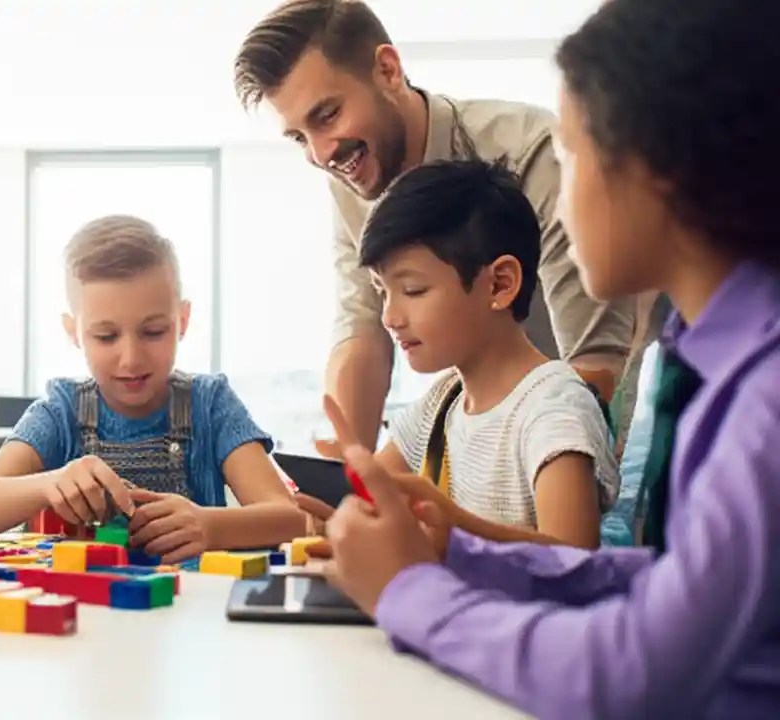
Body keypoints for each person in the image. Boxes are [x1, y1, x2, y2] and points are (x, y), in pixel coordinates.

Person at [310, 0, 780, 716]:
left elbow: (633, 670)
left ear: (655, 168)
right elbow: (665, 587)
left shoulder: (764, 402)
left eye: (570, 154)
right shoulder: (716, 367)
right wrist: (457, 552)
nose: (556, 200)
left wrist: (410, 592)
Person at [233, 0, 642, 451]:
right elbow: (361, 323)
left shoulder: (532, 153)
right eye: (298, 138)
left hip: (564, 423)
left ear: (388, 71)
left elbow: (595, 362)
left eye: (327, 115)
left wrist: (526, 469)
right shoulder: (352, 175)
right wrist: (347, 469)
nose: (320, 154)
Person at [0, 215, 304, 560]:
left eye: (153, 332)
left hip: (192, 596)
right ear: (74, 331)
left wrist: (210, 526)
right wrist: (48, 483)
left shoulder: (210, 404)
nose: (131, 359)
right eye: (106, 336)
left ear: (182, 321)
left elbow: (290, 519)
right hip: (83, 598)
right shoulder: (60, 412)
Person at [358, 158, 617, 548]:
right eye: (382, 292)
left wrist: (453, 530)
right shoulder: (445, 401)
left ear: (500, 285)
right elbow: (369, 502)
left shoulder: (553, 410)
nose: (390, 317)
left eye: (413, 290)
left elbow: (574, 558)